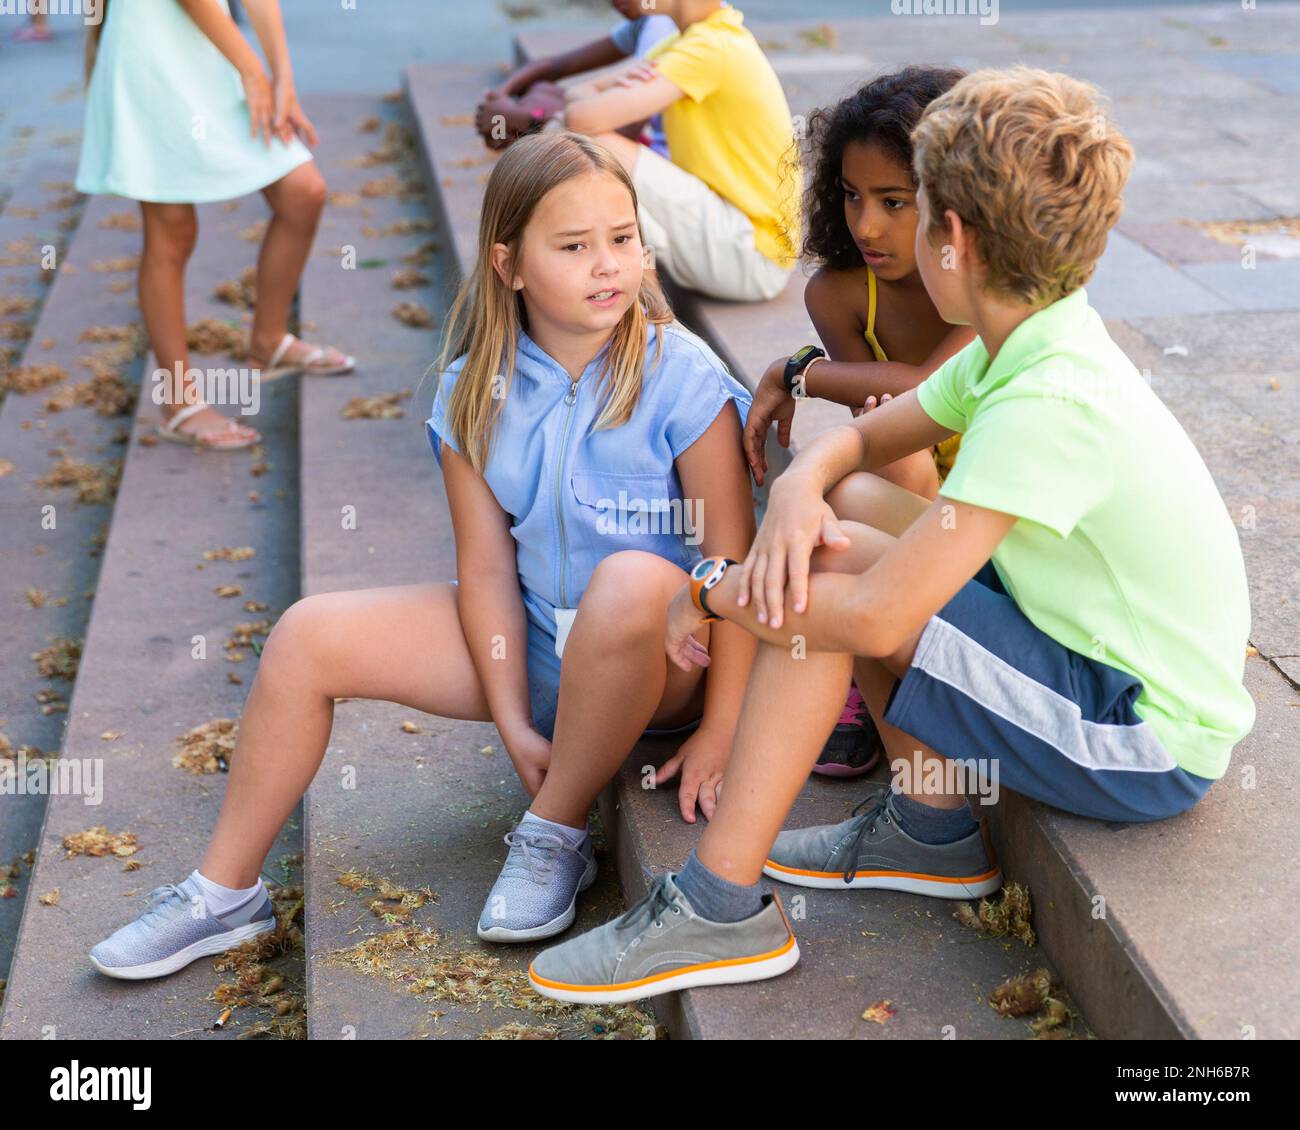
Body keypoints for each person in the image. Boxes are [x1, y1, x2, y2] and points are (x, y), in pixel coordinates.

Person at [527, 67, 1256, 1005]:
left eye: (910, 212)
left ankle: (717, 904)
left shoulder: (1046, 401)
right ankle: (930, 823)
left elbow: (875, 619)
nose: (884, 232)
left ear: (950, 237)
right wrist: (797, 493)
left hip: (1137, 733)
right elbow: (870, 439)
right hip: (1087, 659)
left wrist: (708, 588)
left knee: (826, 593)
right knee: (846, 515)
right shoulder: (1029, 336)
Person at [87, 130, 758, 978]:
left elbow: (733, 568)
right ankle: (224, 895)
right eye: (575, 246)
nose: (607, 266)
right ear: (509, 263)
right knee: (306, 636)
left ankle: (554, 833)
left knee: (627, 581)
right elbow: (483, 570)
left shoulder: (682, 374)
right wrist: (513, 716)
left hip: (661, 660)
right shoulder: (475, 386)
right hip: (538, 646)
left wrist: (725, 729)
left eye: (623, 240)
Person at [745, 68, 976, 778]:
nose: (865, 224)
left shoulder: (986, 283)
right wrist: (821, 371)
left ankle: (871, 652)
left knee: (871, 447)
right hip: (907, 492)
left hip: (984, 520)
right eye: (851, 196)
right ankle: (858, 669)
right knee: (870, 452)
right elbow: (878, 414)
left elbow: (924, 391)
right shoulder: (842, 294)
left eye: (894, 201)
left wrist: (796, 373)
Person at [76, 0, 354, 450]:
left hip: (216, 49)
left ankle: (269, 340)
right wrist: (252, 69)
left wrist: (281, 74)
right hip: (155, 52)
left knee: (303, 193)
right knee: (172, 229)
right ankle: (179, 402)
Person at [475, 0, 677, 157]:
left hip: (659, 160)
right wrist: (499, 96)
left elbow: (627, 129)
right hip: (634, 141)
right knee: (542, 90)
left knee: (539, 107)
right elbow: (556, 66)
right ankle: (514, 136)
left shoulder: (661, 25)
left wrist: (524, 119)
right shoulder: (647, 19)